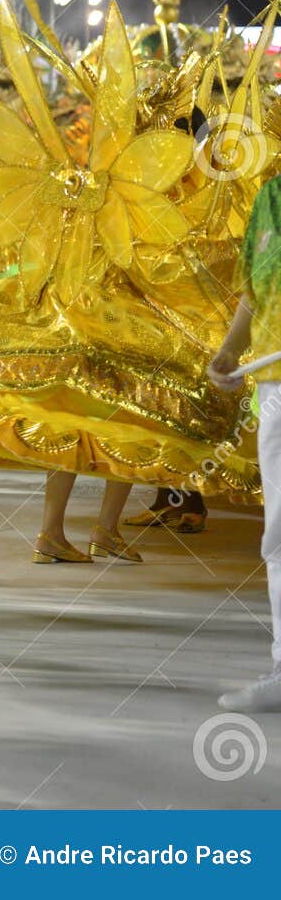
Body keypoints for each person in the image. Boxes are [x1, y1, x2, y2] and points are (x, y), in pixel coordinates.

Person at [209, 172, 281, 710]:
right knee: (279, 536)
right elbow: (254, 292)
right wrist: (233, 349)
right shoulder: (271, 196)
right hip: (275, 387)